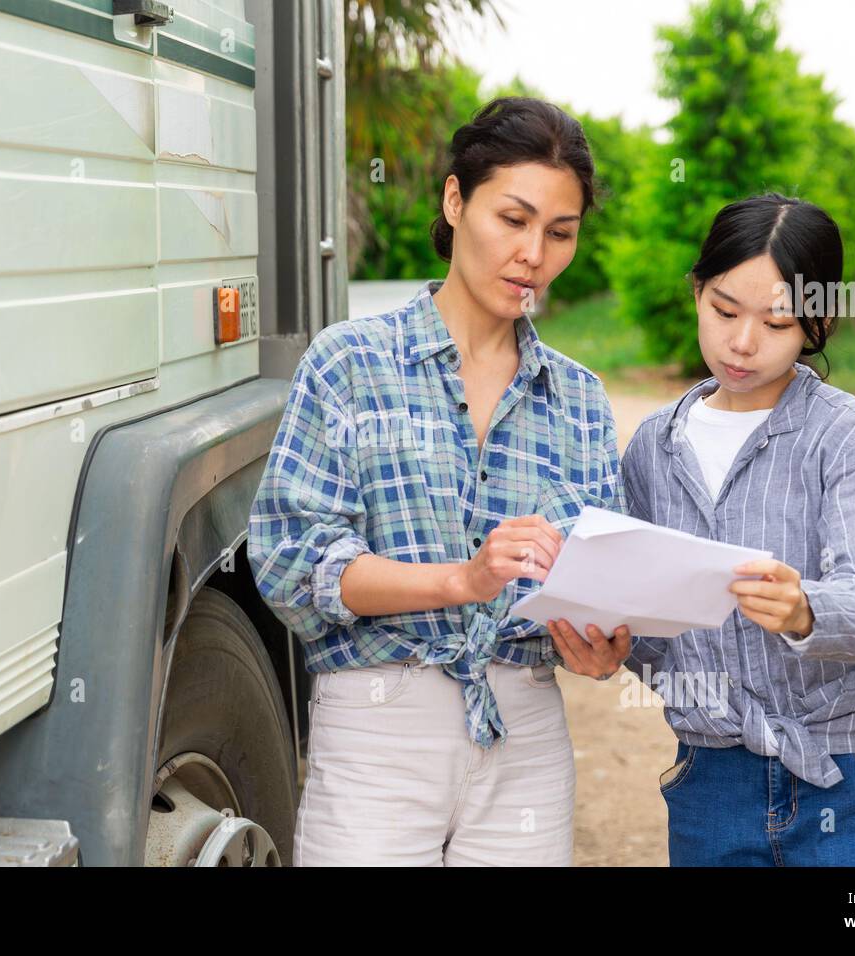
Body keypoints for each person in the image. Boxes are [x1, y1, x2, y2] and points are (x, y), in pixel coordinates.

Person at [247, 97, 630, 866]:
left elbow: (598, 581)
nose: (534, 254)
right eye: (513, 219)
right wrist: (461, 579)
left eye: (561, 234)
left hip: (526, 737)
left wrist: (600, 648)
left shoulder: (580, 397)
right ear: (455, 201)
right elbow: (290, 563)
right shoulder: (350, 363)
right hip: (377, 731)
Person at [618, 193, 855, 866]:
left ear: (816, 322)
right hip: (712, 777)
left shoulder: (847, 436)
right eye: (724, 310)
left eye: (777, 321)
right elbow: (645, 623)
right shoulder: (653, 447)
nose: (743, 342)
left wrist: (807, 607)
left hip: (852, 772)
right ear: (697, 291)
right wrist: (610, 635)